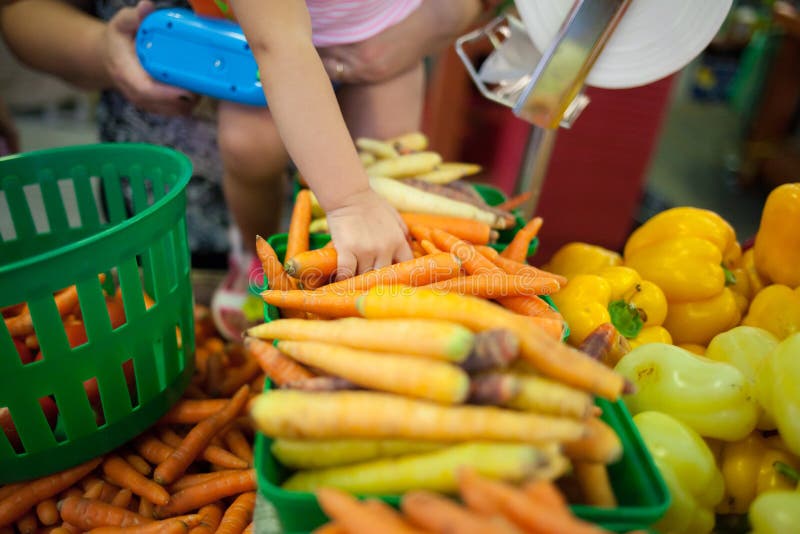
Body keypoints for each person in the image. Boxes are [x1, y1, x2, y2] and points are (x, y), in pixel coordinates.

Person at [0, 0, 483, 337]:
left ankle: (361, 290)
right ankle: (253, 261)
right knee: (249, 146)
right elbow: (280, 46)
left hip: (385, 26)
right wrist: (350, 201)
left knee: (390, 163)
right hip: (258, 45)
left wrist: (443, 14)